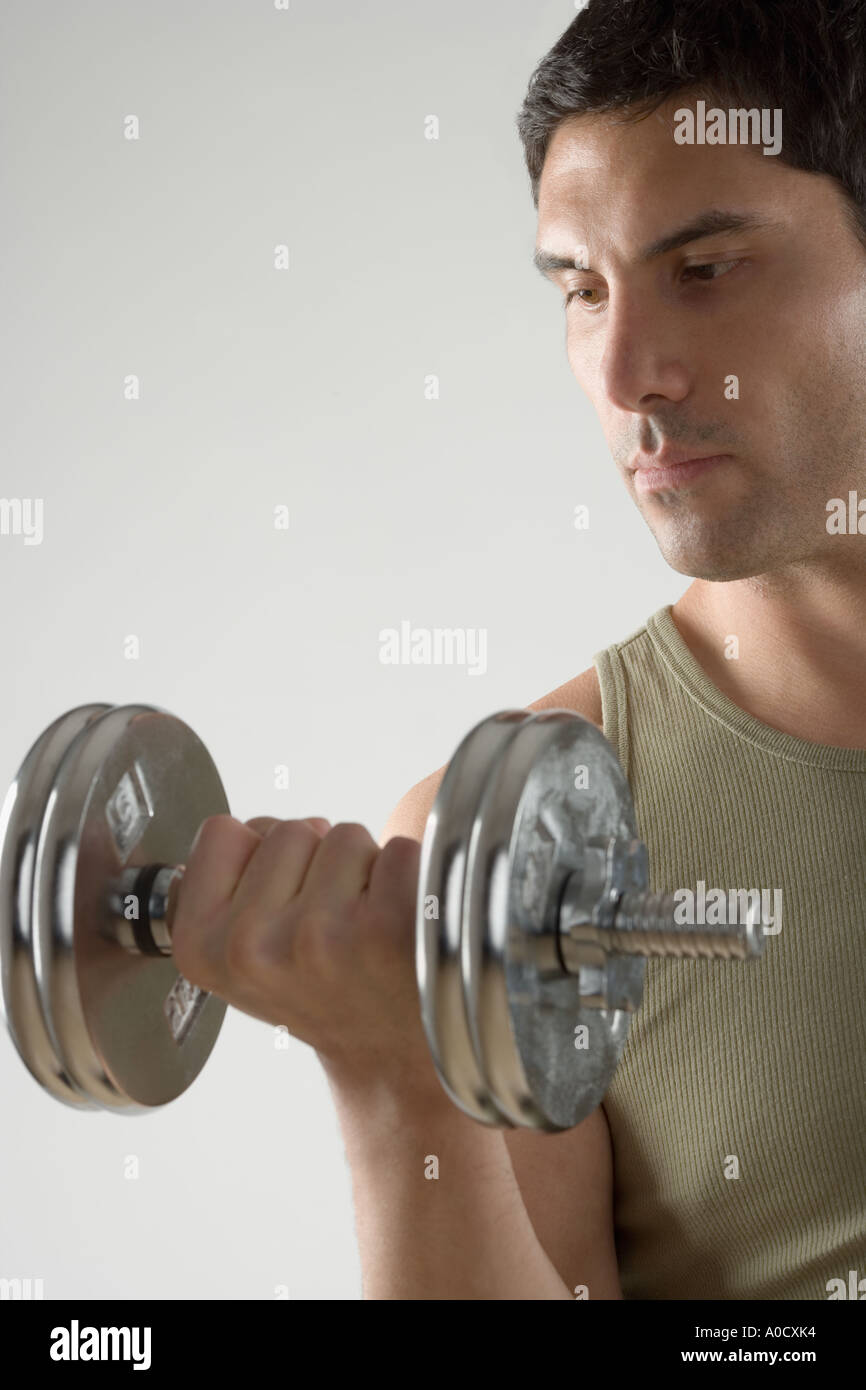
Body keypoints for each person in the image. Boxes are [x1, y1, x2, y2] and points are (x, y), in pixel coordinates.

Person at [170, 0, 866, 1299]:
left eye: (704, 269)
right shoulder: (508, 852)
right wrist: (403, 1088)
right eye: (582, 290)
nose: (624, 371)